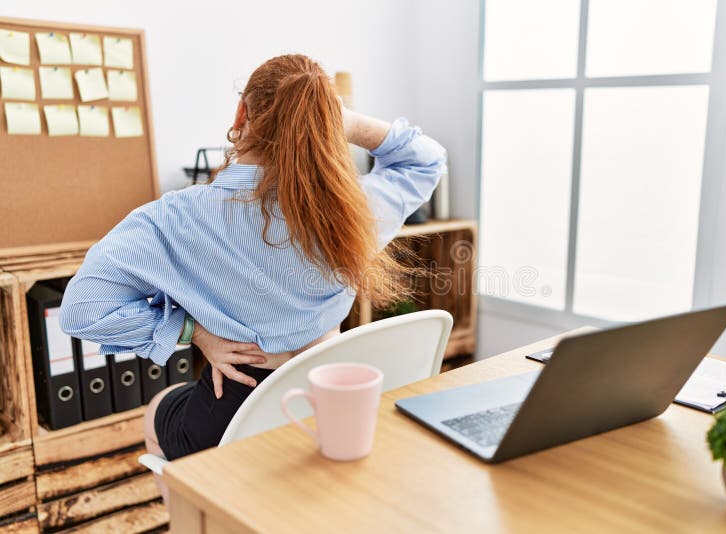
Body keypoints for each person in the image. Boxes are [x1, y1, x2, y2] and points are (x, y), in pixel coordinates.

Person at [59, 53, 445, 501]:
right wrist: (347, 122)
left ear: (241, 113)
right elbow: (426, 160)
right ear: (329, 125)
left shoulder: (174, 219)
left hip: (235, 419)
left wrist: (192, 331)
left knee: (156, 411)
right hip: (332, 410)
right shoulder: (352, 212)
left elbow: (82, 310)